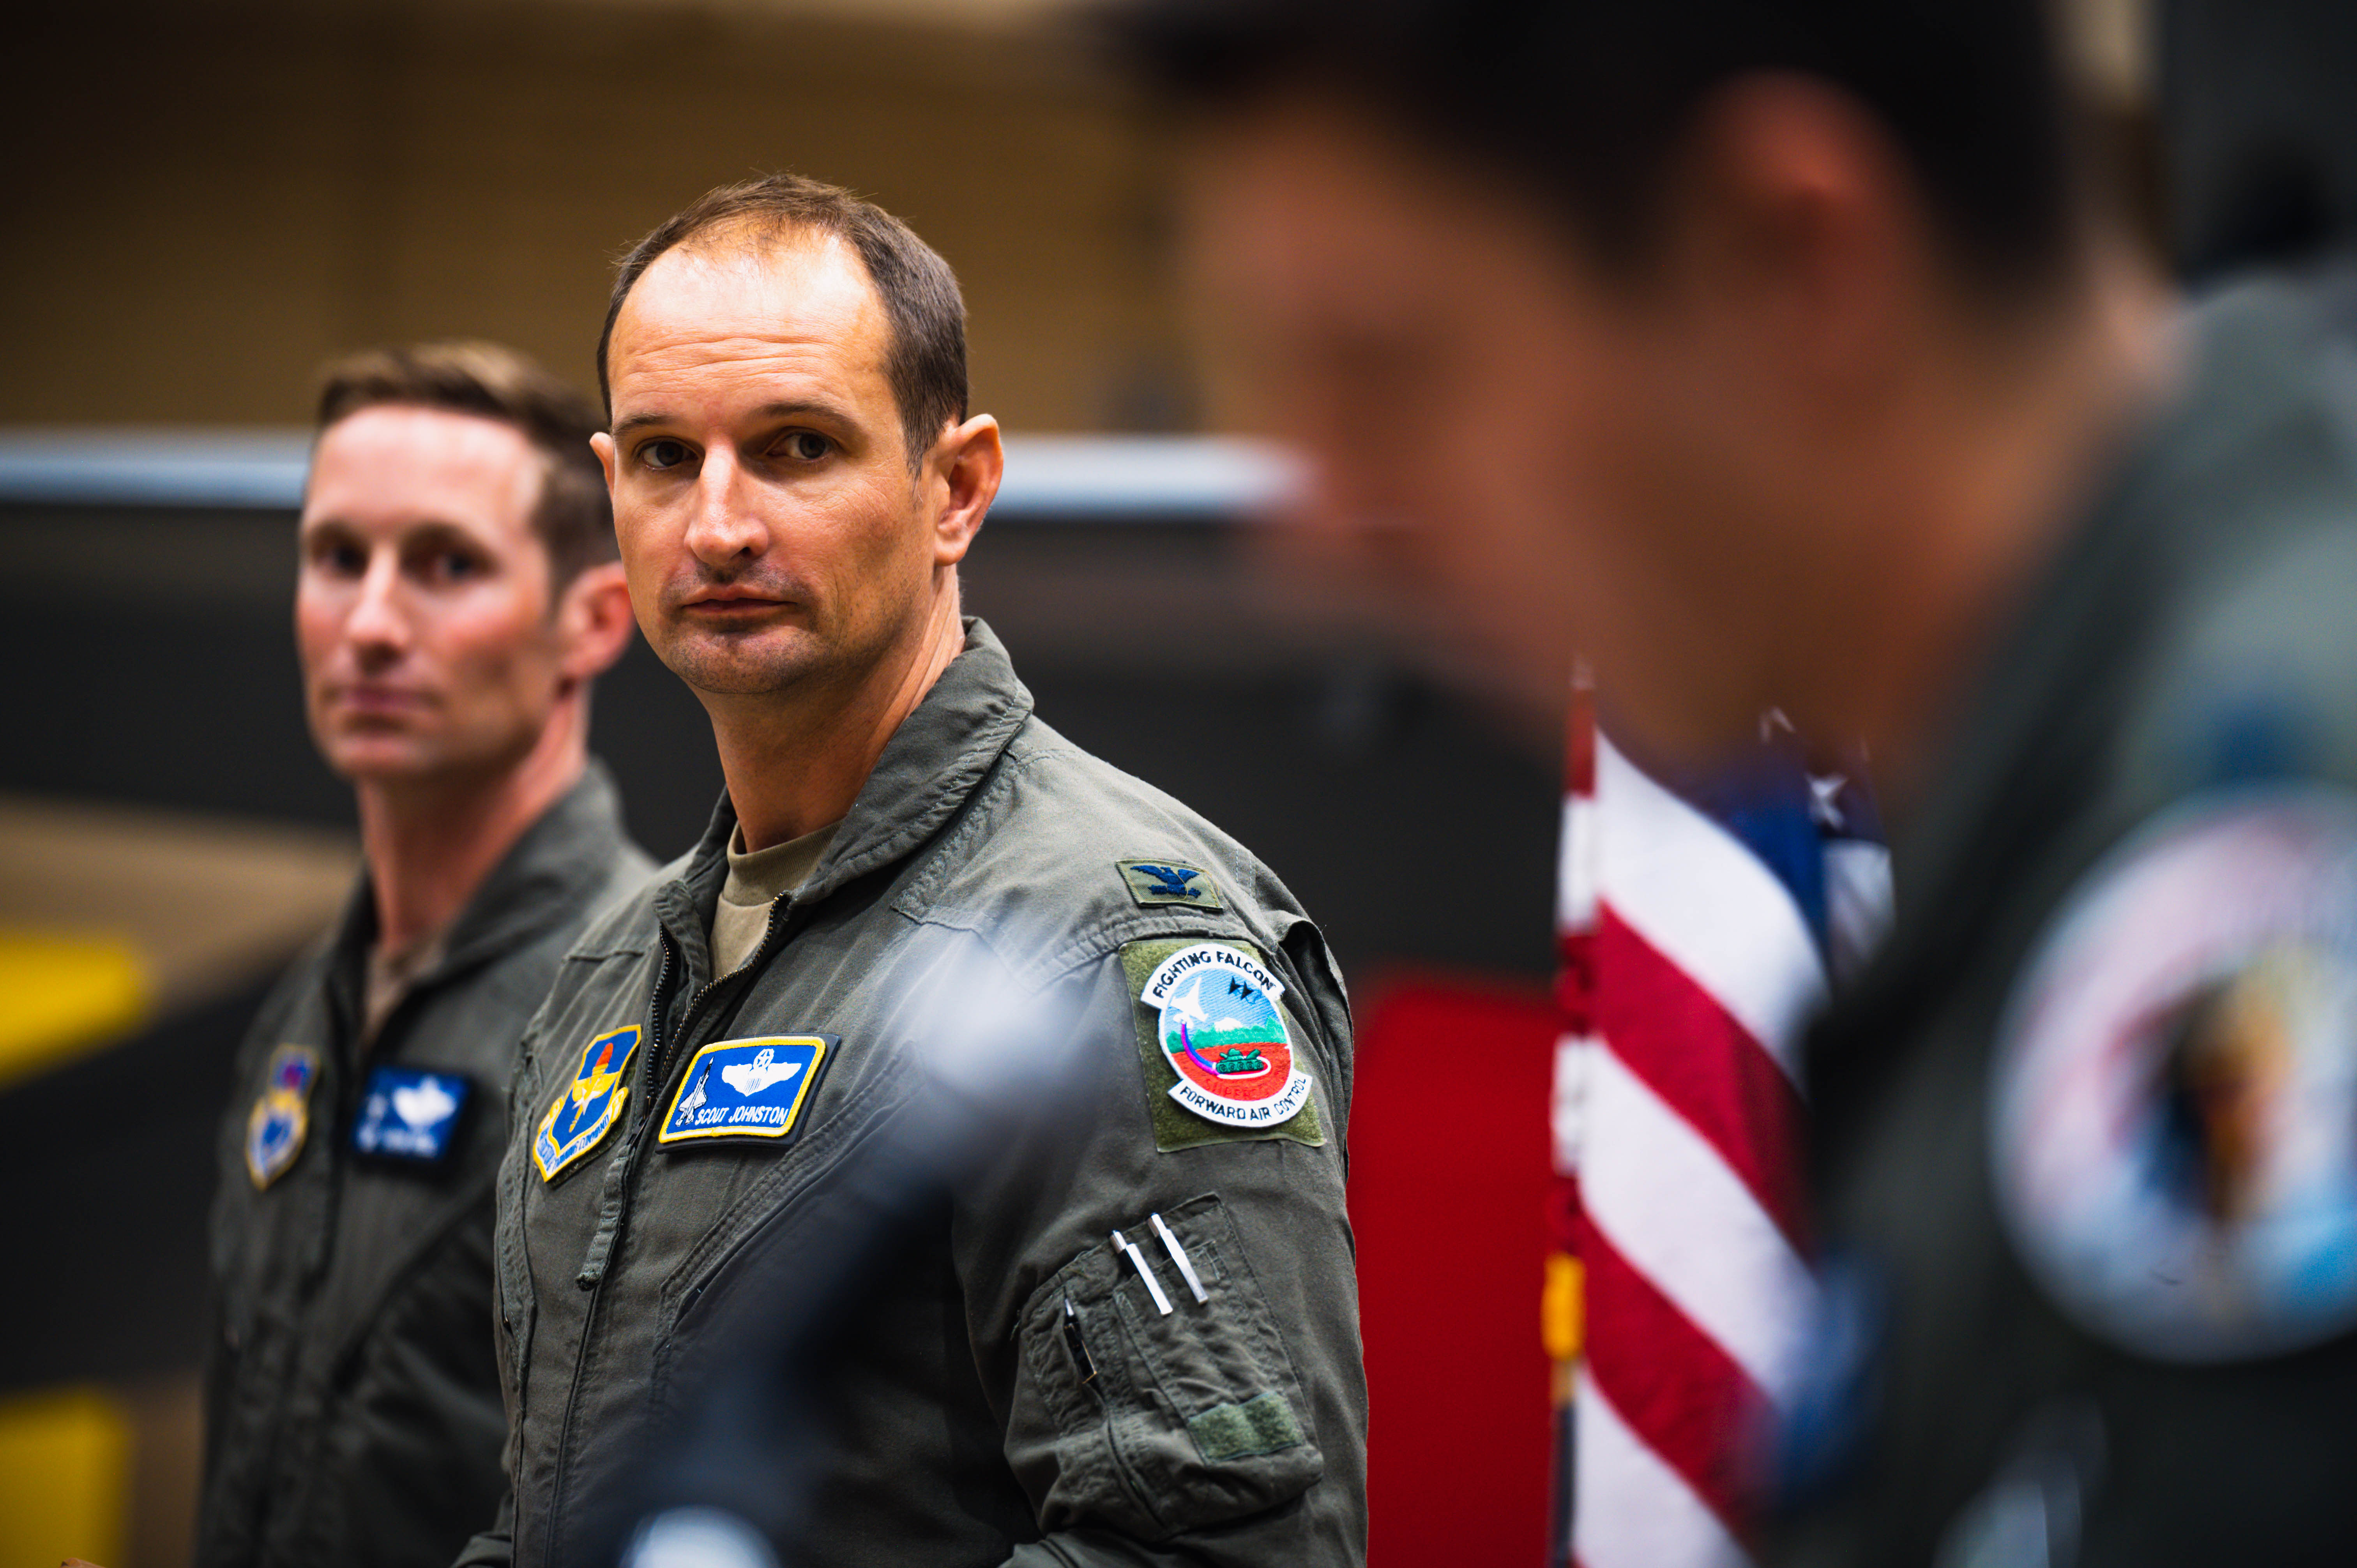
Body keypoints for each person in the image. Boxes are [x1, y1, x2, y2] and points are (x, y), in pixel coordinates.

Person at [1118, 1, 2357, 1563]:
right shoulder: (2089, 786)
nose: (1319, 531)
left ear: (1796, 262)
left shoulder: (2261, 857)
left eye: (1391, 366)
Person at [454, 174, 1365, 1568]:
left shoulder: (1105, 941)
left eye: (798, 447)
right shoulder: (611, 974)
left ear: (956, 489)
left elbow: (1221, 1553)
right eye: (661, 458)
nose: (717, 524)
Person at [201, 343, 651, 1568]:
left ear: (594, 620)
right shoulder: (306, 1012)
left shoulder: (659, 1003)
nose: (374, 624)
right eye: (338, 559)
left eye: (447, 565)